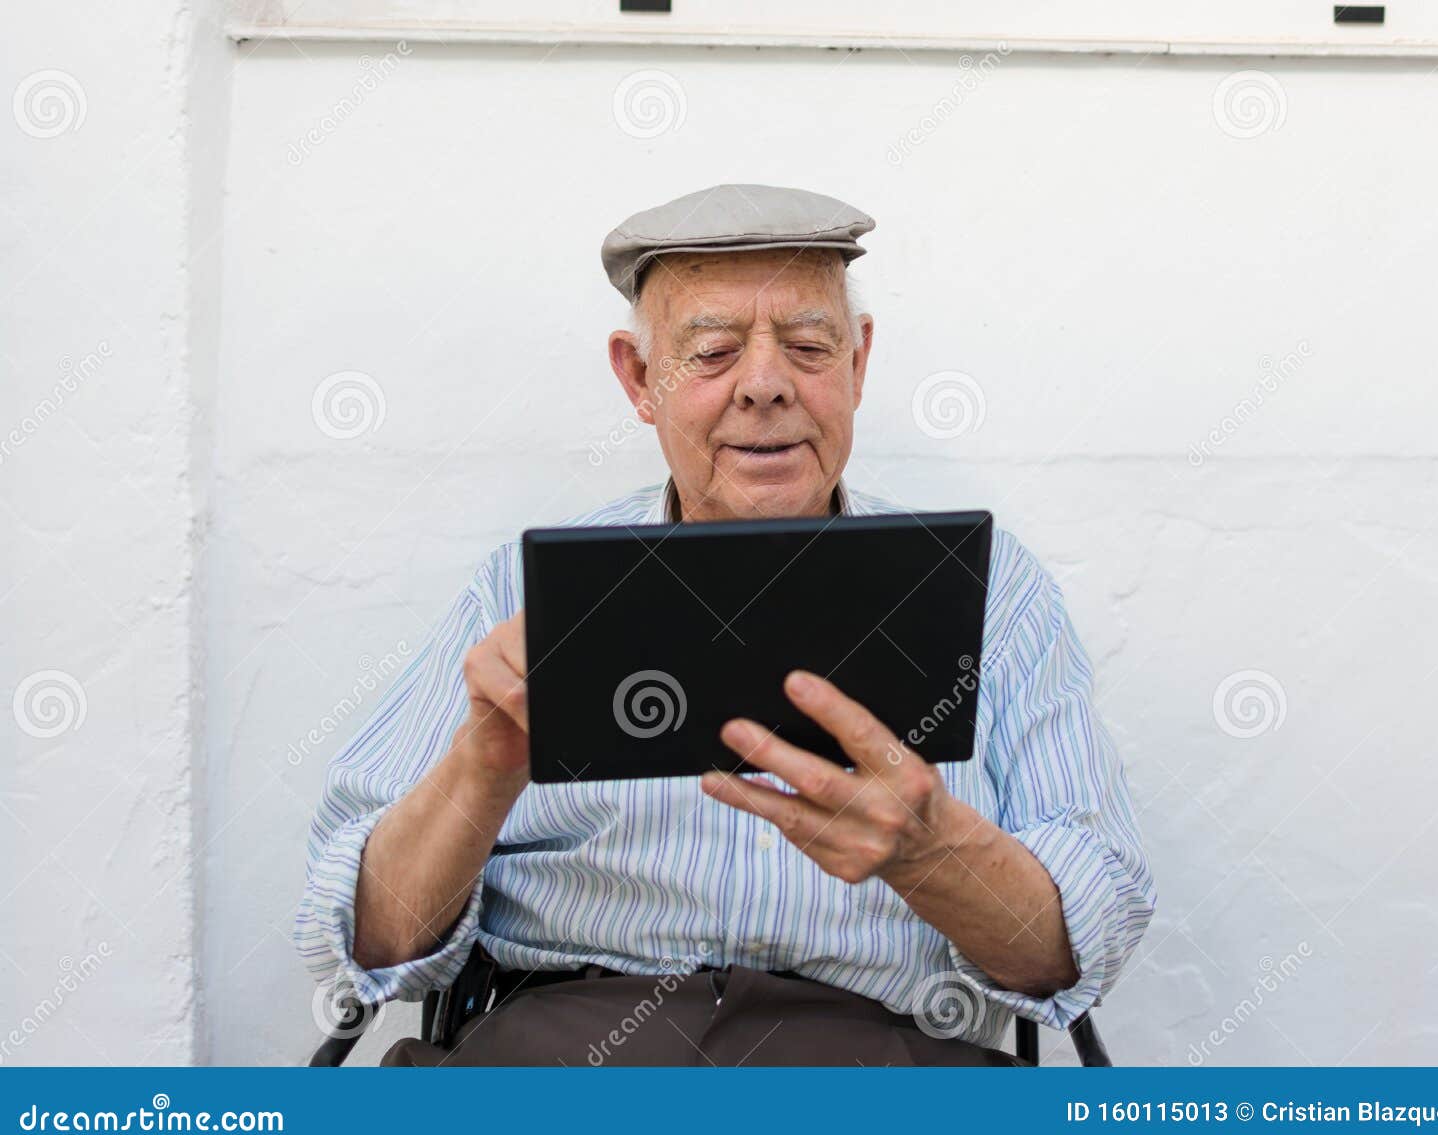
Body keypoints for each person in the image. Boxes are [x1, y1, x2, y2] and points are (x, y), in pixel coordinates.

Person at [295, 183, 1155, 1066]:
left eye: (808, 347)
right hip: (561, 1062)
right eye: (712, 352)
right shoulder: (520, 593)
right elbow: (361, 944)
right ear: (639, 378)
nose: (766, 386)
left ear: (858, 363)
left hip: (882, 1066)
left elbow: (1083, 943)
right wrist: (481, 770)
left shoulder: (990, 593)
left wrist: (934, 854)